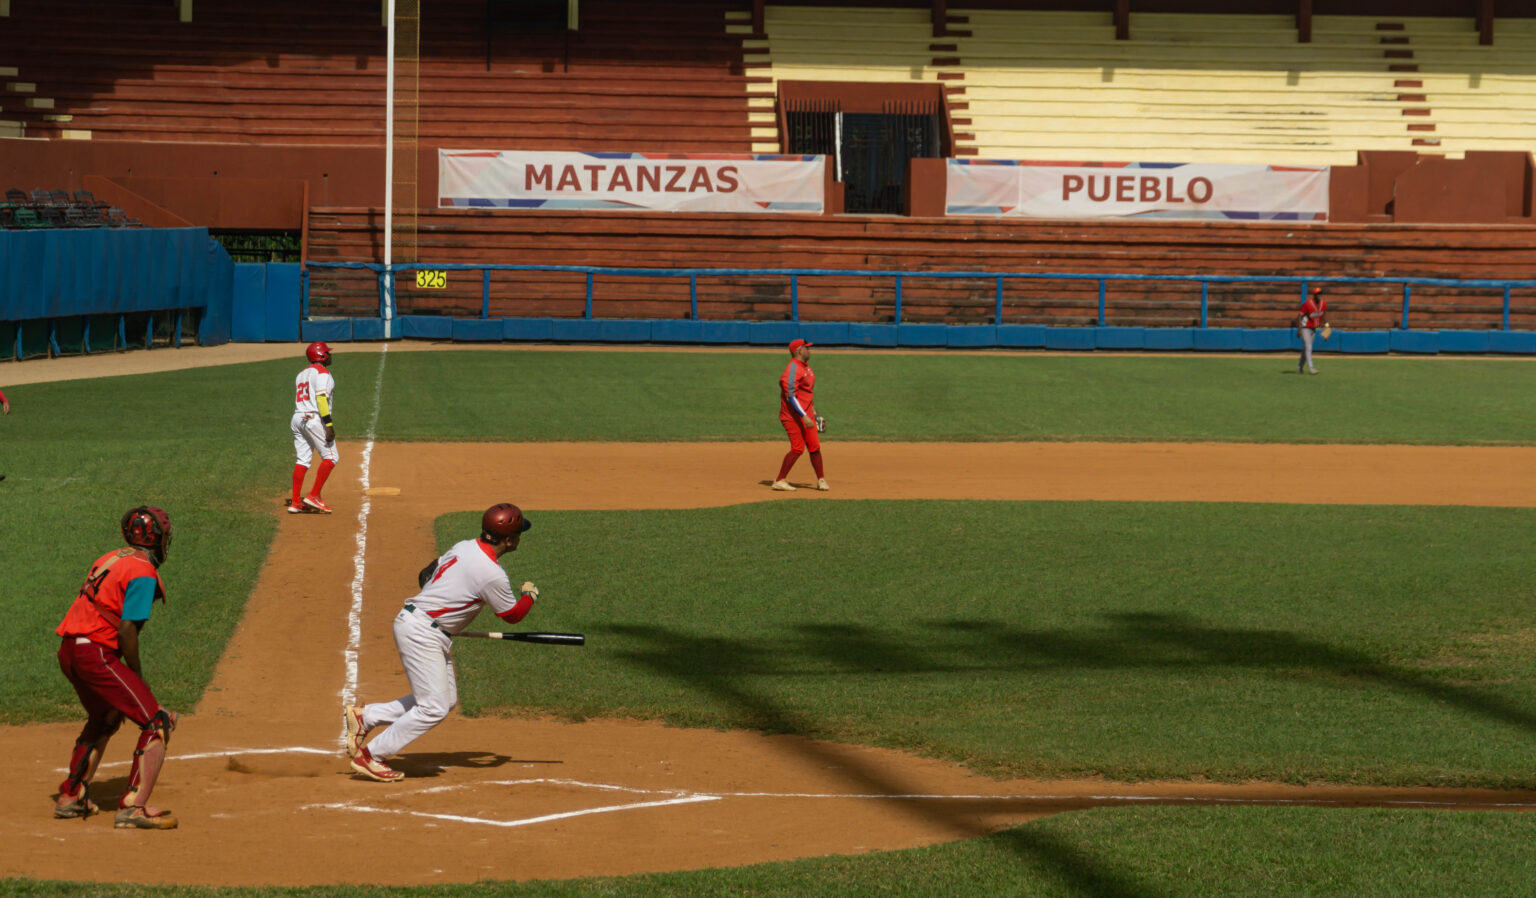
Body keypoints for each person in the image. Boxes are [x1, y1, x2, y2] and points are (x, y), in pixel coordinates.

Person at [343, 503, 541, 782]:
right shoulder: (492, 573)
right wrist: (529, 595)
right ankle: (372, 755)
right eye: (518, 533)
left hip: (423, 626)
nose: (520, 537)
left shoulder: (465, 546)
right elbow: (511, 615)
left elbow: (426, 575)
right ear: (508, 539)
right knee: (433, 707)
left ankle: (367, 716)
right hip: (422, 632)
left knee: (444, 700)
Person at [53, 506, 179, 829]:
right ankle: (132, 808)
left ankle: (71, 796)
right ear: (158, 540)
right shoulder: (143, 573)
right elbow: (126, 631)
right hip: (95, 654)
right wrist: (139, 681)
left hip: (70, 651)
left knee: (106, 715)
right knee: (156, 721)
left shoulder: (111, 558)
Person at [771, 338, 828, 492]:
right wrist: (804, 416)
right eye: (807, 348)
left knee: (814, 447)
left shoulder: (806, 368)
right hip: (791, 417)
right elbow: (791, 397)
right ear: (799, 351)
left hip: (807, 415)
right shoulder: (792, 370)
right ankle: (779, 480)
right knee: (797, 448)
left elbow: (806, 393)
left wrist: (814, 413)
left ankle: (821, 480)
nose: (810, 350)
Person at [289, 341, 338, 513]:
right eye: (328, 353)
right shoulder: (324, 374)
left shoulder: (301, 374)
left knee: (302, 459)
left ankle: (295, 502)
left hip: (297, 418)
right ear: (322, 355)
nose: (330, 355)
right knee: (331, 458)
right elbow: (321, 399)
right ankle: (314, 496)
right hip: (313, 419)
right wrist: (329, 425)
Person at [1296, 286, 1329, 375]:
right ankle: (1311, 368)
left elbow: (1324, 317)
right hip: (1305, 327)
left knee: (1306, 349)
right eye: (1317, 294)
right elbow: (1300, 316)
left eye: (1320, 293)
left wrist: (1327, 329)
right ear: (1314, 295)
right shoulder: (1307, 304)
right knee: (1309, 347)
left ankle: (1299, 367)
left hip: (1313, 328)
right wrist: (1299, 329)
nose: (1319, 295)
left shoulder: (1324, 304)